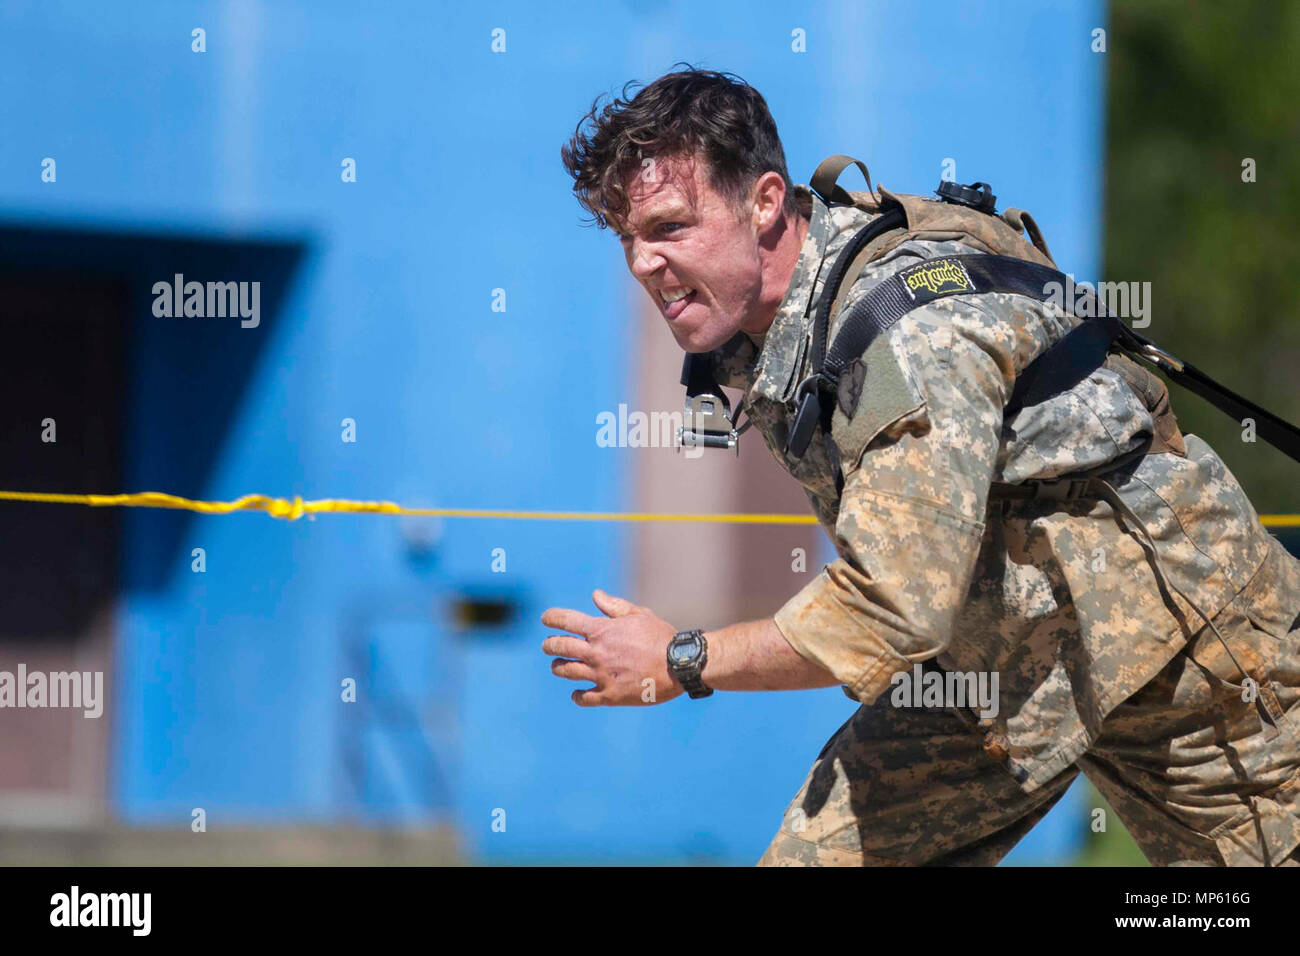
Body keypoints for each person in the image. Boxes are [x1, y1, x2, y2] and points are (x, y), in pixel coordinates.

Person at [546, 66, 1300, 866]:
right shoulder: (774, 326)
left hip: (1187, 657)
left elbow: (892, 605)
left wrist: (681, 659)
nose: (642, 263)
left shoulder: (905, 335)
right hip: (990, 673)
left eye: (669, 227)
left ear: (766, 202)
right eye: (627, 237)